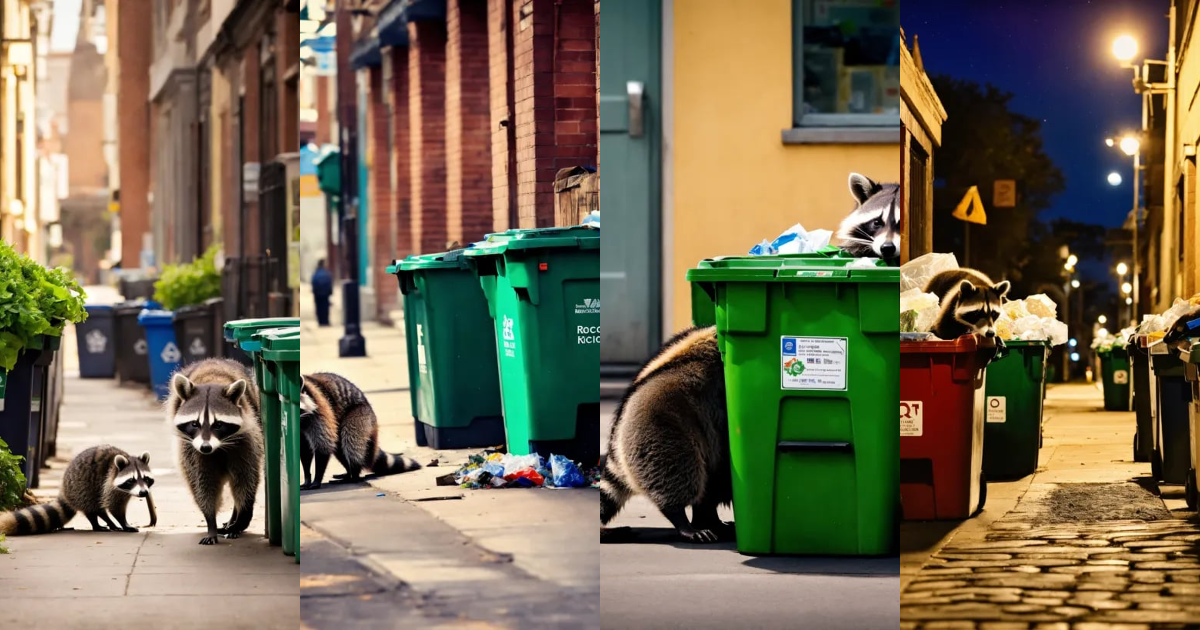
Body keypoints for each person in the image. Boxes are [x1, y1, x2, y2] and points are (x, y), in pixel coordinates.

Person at [311, 259, 333, 326]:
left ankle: (320, 322)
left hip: (317, 294)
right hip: (325, 294)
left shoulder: (316, 273)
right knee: (325, 308)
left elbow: (313, 282)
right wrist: (330, 292)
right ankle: (325, 321)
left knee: (319, 308)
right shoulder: (326, 273)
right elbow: (330, 282)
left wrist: (314, 291)